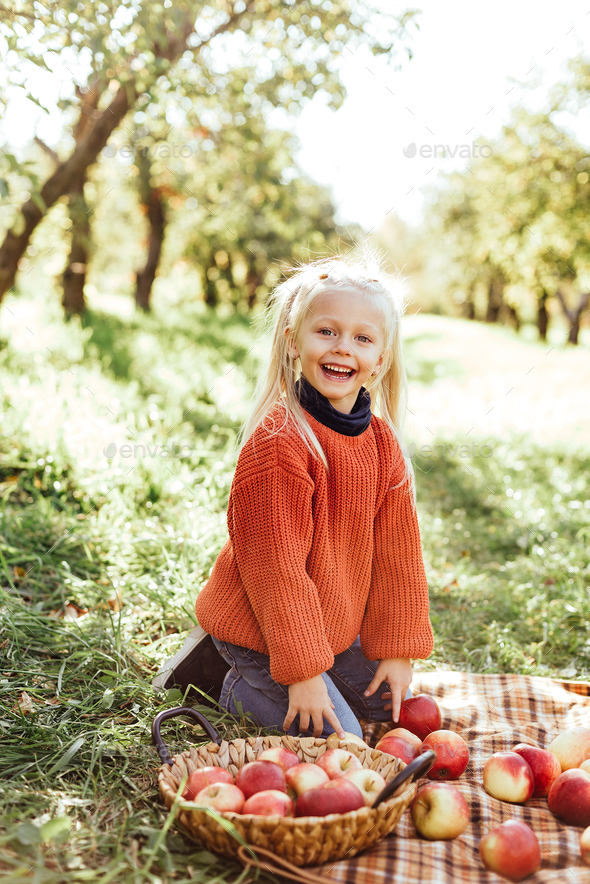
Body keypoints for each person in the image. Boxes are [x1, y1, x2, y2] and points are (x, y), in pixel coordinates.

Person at [155, 248, 434, 740]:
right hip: (261, 634)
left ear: (381, 359)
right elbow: (274, 570)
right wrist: (305, 676)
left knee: (390, 704)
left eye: (362, 338)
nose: (343, 348)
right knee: (342, 747)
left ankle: (307, 670)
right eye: (326, 331)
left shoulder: (382, 443)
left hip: (327, 629)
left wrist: (396, 649)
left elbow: (399, 554)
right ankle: (222, 677)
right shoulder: (281, 443)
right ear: (293, 340)